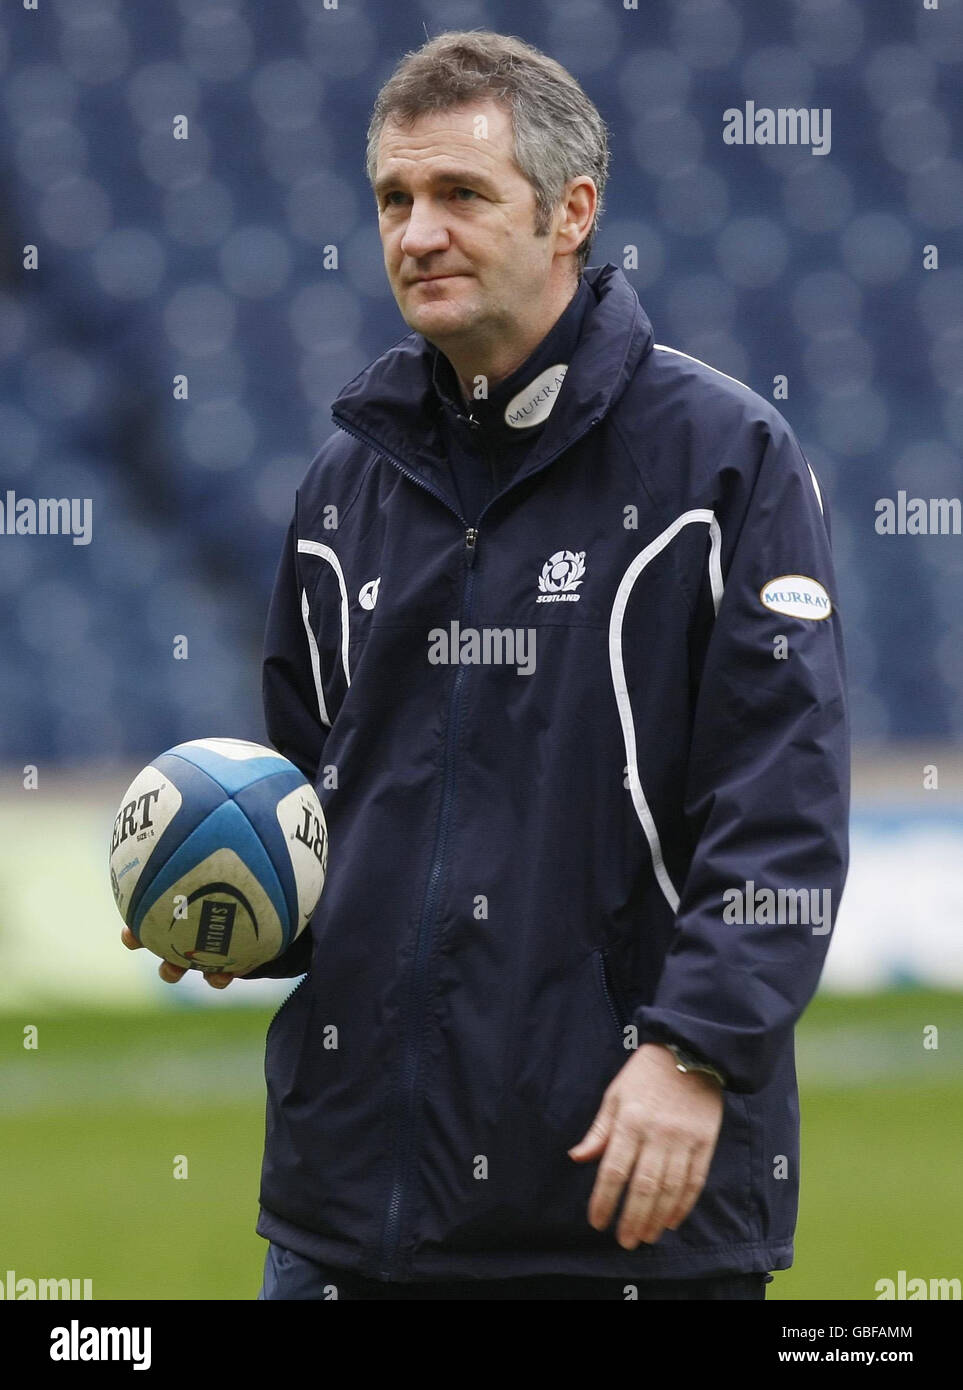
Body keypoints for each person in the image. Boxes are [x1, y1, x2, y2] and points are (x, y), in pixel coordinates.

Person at [125, 30, 850, 1300]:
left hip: (615, 1208)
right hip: (345, 1216)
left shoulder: (723, 462)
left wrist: (698, 1052)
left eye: (462, 195)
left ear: (571, 211)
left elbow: (779, 807)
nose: (417, 235)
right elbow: (324, 797)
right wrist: (257, 914)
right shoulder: (346, 481)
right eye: (395, 201)